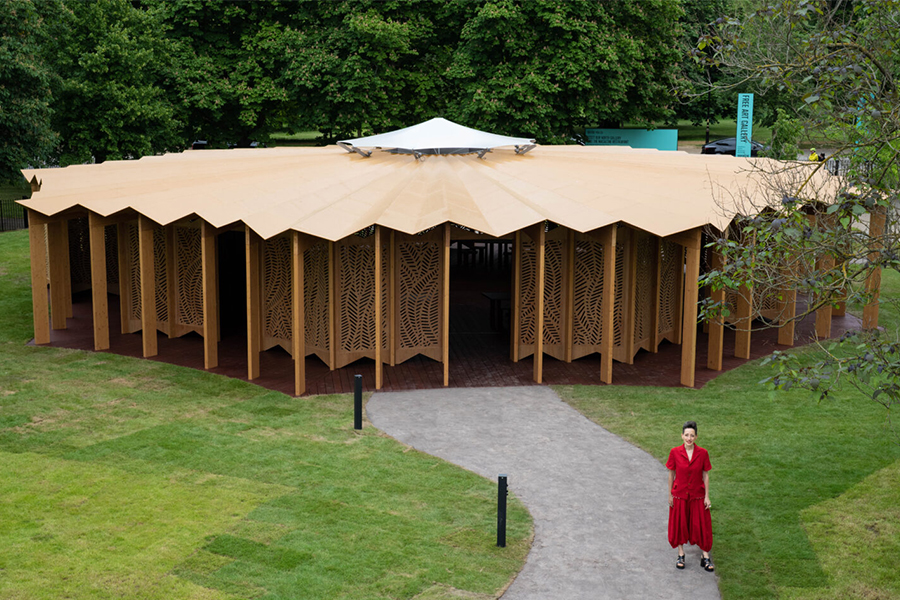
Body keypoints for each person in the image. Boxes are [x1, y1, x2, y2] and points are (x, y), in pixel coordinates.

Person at [666, 420, 714, 572]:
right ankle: (681, 554)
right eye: (686, 435)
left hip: (697, 495)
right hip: (679, 494)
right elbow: (671, 474)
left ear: (696, 437)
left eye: (692, 435)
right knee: (680, 524)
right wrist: (670, 495)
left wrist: (707, 496)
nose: (689, 438)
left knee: (702, 525)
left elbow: (705, 475)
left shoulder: (703, 453)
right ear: (682, 436)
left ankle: (705, 556)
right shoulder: (674, 452)